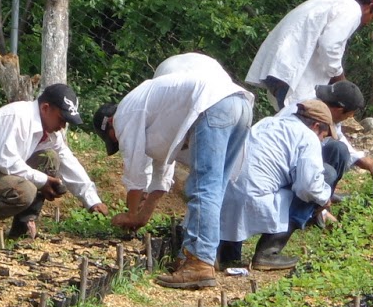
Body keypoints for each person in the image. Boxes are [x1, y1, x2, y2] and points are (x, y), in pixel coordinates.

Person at [93, 52, 253, 290]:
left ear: (109, 125)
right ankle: (199, 254)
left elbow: (135, 174)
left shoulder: (125, 113)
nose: (119, 142)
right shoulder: (157, 112)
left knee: (203, 187)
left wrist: (130, 214)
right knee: (214, 188)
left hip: (214, 104)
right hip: (239, 105)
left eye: (113, 140)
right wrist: (142, 215)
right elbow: (162, 175)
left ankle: (199, 263)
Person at [0, 84, 106, 246]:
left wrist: (91, 199)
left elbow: (67, 161)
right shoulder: (16, 117)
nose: (62, 126)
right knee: (24, 190)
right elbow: (4, 161)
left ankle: (21, 227)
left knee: (50, 157)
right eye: (61, 119)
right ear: (45, 108)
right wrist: (43, 181)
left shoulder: (50, 131)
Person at [218, 98, 347, 271]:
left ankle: (228, 254)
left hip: (225, 194)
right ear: (316, 126)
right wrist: (324, 199)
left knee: (253, 184)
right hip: (255, 198)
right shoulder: (308, 137)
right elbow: (308, 187)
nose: (323, 140)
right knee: (326, 176)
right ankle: (268, 253)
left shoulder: (268, 122)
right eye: (324, 135)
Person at [246, 0, 373, 113]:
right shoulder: (352, 10)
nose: (368, 22)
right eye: (372, 18)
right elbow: (330, 45)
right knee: (298, 124)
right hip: (291, 72)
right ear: (369, 8)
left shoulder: (329, 2)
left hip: (282, 68)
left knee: (289, 120)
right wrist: (339, 78)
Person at [312, 79, 373, 180]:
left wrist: (360, 159)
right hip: (291, 166)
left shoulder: (328, 109)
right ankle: (319, 194)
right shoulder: (311, 115)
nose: (351, 116)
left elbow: (338, 138)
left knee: (340, 148)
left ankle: (326, 192)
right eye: (351, 113)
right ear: (339, 110)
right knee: (329, 173)